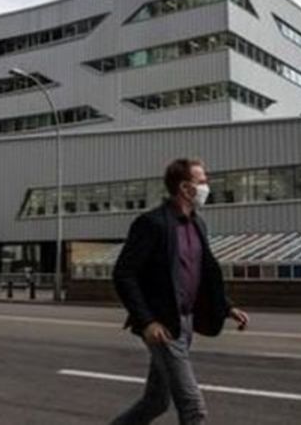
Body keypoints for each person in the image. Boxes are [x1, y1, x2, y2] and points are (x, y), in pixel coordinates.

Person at [111, 157, 249, 425]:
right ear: (185, 188)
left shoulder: (198, 224)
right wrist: (147, 321)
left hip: (186, 322)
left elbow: (202, 273)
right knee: (193, 407)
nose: (207, 187)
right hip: (164, 326)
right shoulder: (152, 223)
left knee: (156, 402)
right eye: (202, 181)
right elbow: (124, 274)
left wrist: (227, 307)